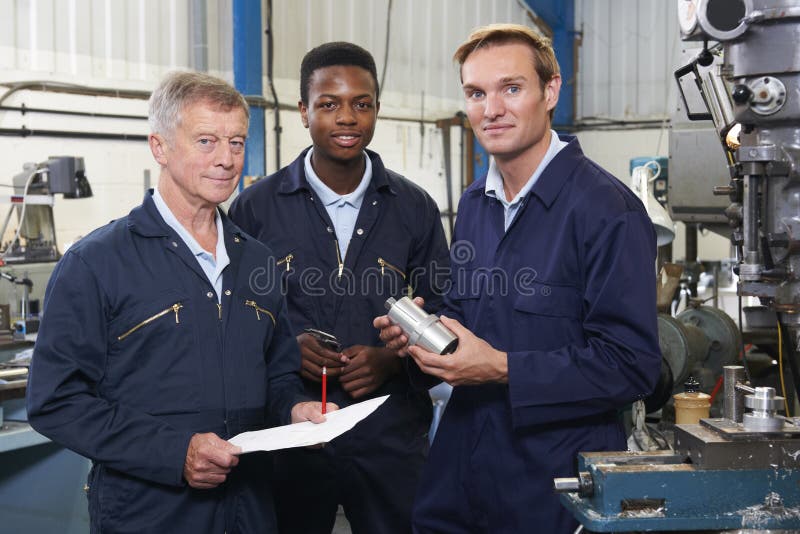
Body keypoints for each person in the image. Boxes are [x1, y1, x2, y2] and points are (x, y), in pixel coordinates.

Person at [374, 24, 662, 533]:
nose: (492, 109)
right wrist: (424, 338)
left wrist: (503, 368)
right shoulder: (474, 203)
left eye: (511, 88)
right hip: (460, 474)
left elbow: (631, 366)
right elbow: (469, 317)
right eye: (476, 93)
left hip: (554, 487)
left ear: (550, 91)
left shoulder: (606, 210)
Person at [26, 71, 331, 534]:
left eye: (235, 142)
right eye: (205, 141)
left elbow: (279, 373)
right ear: (160, 147)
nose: (226, 159)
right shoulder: (96, 263)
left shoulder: (258, 261)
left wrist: (295, 410)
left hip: (250, 510)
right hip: (149, 515)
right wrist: (174, 452)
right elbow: (56, 400)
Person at [229, 42, 450, 534]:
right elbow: (236, 319)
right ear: (303, 111)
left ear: (376, 109)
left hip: (390, 439)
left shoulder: (414, 209)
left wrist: (391, 359)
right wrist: (288, 350)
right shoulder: (255, 209)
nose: (347, 117)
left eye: (361, 103)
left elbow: (444, 311)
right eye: (329, 104)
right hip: (292, 437)